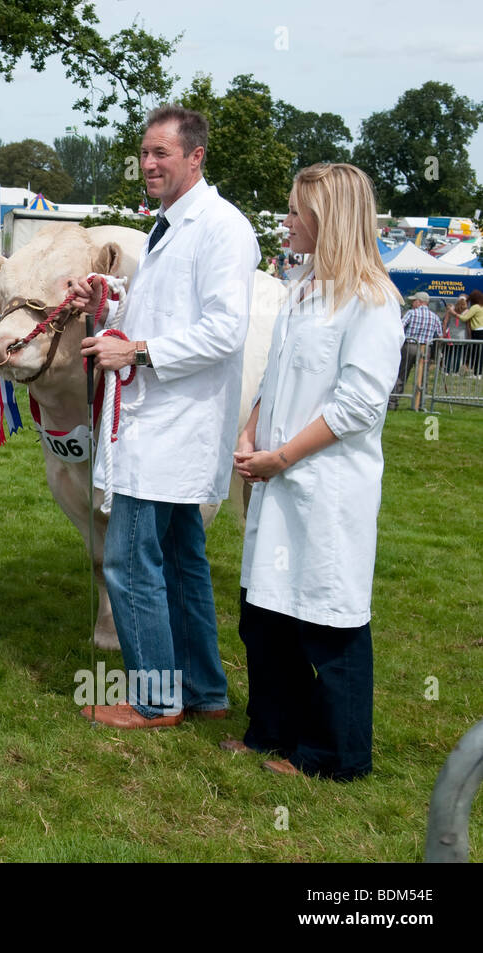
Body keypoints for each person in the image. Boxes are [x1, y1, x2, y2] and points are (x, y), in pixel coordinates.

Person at [66, 105, 259, 726]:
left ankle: (154, 698)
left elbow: (226, 330)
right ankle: (204, 689)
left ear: (195, 157)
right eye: (144, 153)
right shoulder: (169, 225)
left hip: (174, 426)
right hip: (162, 422)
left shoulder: (221, 227)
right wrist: (111, 296)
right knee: (181, 563)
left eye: (161, 154)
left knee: (128, 559)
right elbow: (167, 306)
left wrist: (139, 350)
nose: (147, 164)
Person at [230, 163, 403, 780]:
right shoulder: (303, 288)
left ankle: (334, 757)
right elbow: (276, 377)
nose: (286, 223)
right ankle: (271, 731)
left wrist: (282, 456)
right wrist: (252, 428)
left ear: (328, 219)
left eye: (295, 212)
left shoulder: (373, 300)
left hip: (325, 486)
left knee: (328, 621)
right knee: (266, 615)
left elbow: (358, 404)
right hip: (278, 479)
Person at [390, 291, 442, 409]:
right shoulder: (434, 316)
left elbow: (400, 326)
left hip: (410, 346)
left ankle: (393, 402)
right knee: (423, 377)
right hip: (426, 348)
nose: (413, 303)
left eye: (414, 301)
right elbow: (439, 334)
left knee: (401, 375)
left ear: (419, 302)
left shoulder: (411, 313)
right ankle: (420, 404)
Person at [461, 290, 483, 374]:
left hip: (477, 331)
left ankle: (477, 372)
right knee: (480, 353)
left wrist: (455, 314)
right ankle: (479, 372)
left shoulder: (475, 307)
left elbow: (465, 318)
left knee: (477, 353)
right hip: (481, 331)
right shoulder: (481, 306)